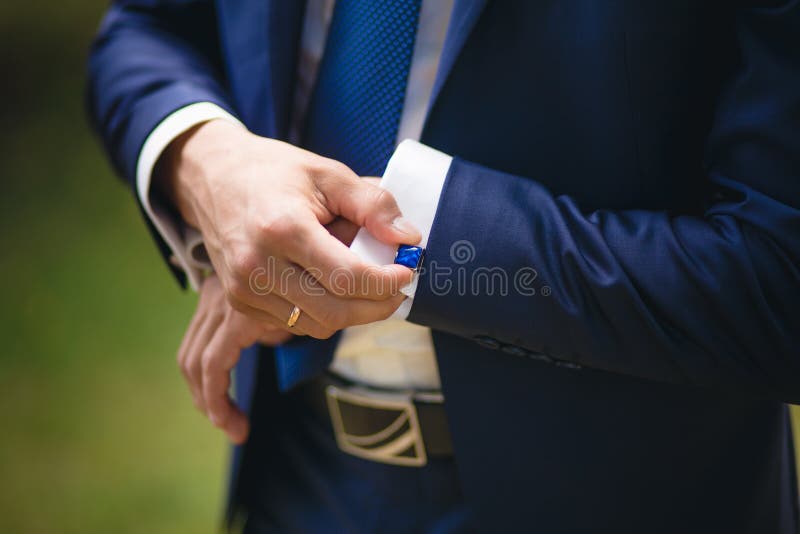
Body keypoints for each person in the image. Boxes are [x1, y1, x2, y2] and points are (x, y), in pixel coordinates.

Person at [87, 0, 800, 532]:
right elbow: (141, 33)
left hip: (625, 497)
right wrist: (211, 162)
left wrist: (402, 235)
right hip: (299, 477)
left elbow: (780, 282)